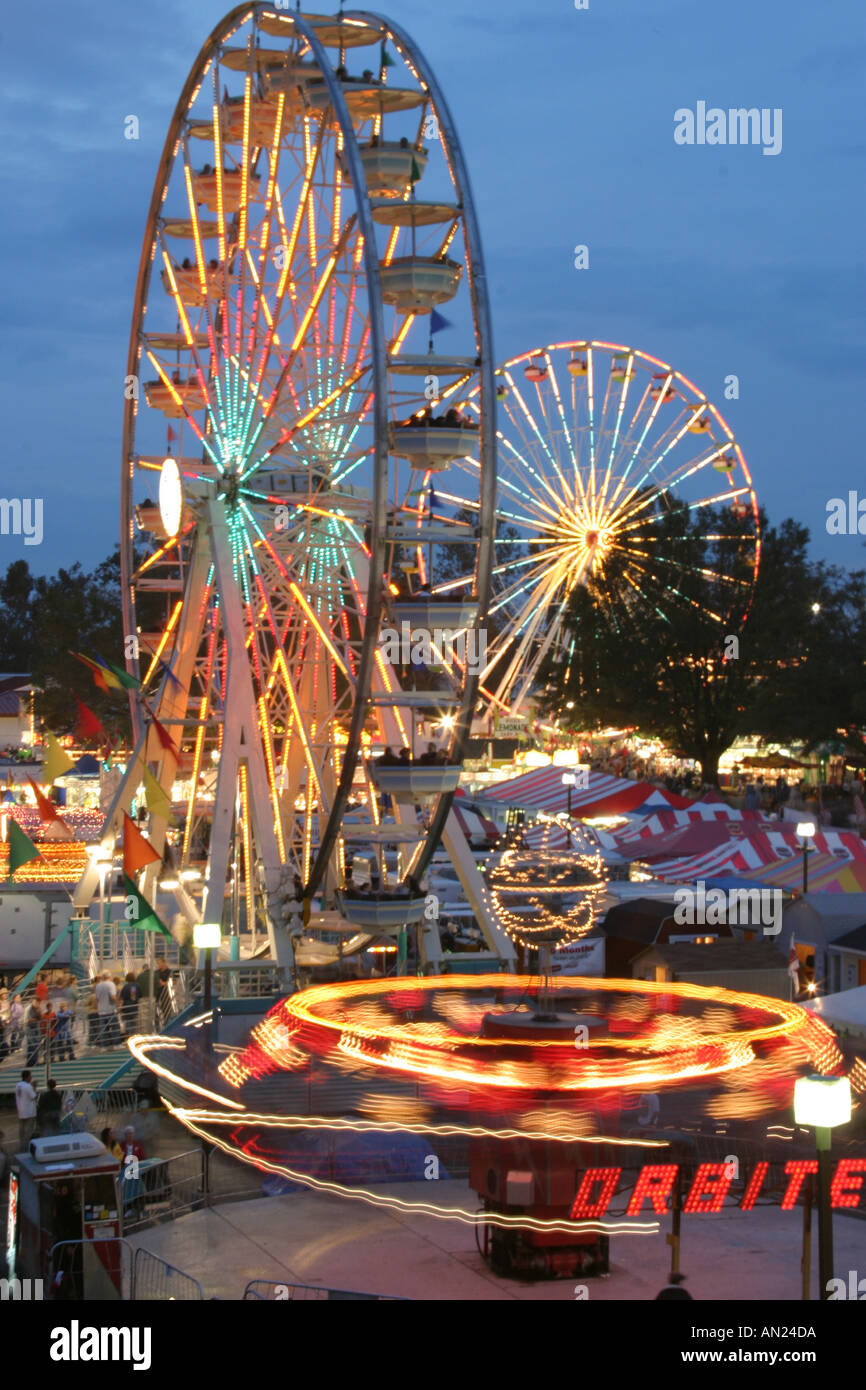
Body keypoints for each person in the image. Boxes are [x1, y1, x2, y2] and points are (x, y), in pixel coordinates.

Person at [94, 972, 119, 1048]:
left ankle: (104, 1046)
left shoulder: (98, 986)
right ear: (109, 977)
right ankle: (116, 1044)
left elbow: (97, 998)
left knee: (103, 1030)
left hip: (101, 1011)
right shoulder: (111, 984)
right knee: (115, 1027)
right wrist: (118, 1005)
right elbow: (113, 997)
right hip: (110, 1009)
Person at [15, 1070, 37, 1152]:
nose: (31, 1077)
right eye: (30, 1076)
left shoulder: (18, 1085)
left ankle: (21, 1148)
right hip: (29, 1112)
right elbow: (33, 1096)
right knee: (28, 1133)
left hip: (21, 1112)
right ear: (27, 1077)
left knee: (22, 1133)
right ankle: (25, 1150)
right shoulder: (28, 1086)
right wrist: (34, 1087)